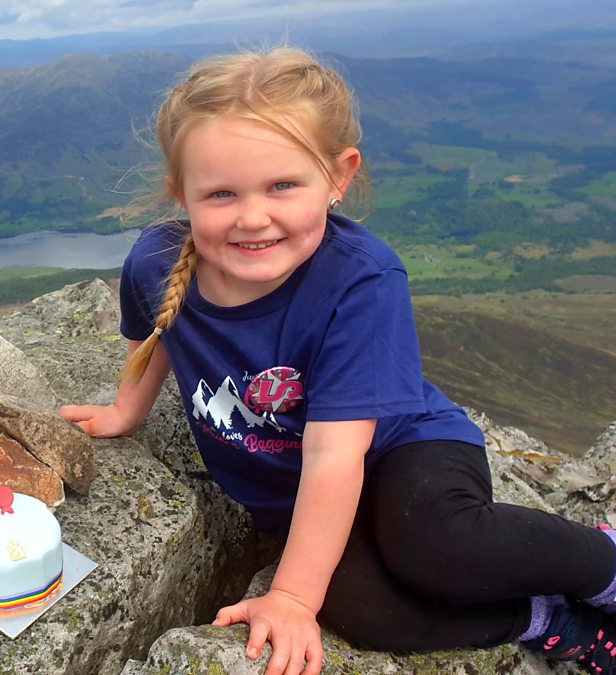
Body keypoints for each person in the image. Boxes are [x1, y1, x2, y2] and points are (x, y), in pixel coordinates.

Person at [58, 46, 616, 675]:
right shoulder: (156, 262)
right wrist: (125, 410)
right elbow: (156, 335)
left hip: (404, 449)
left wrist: (292, 596)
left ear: (338, 176)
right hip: (292, 493)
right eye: (220, 193)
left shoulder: (361, 282)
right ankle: (547, 619)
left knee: (437, 544)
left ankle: (603, 567)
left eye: (283, 185)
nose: (252, 217)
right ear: (179, 192)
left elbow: (335, 456)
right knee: (359, 608)